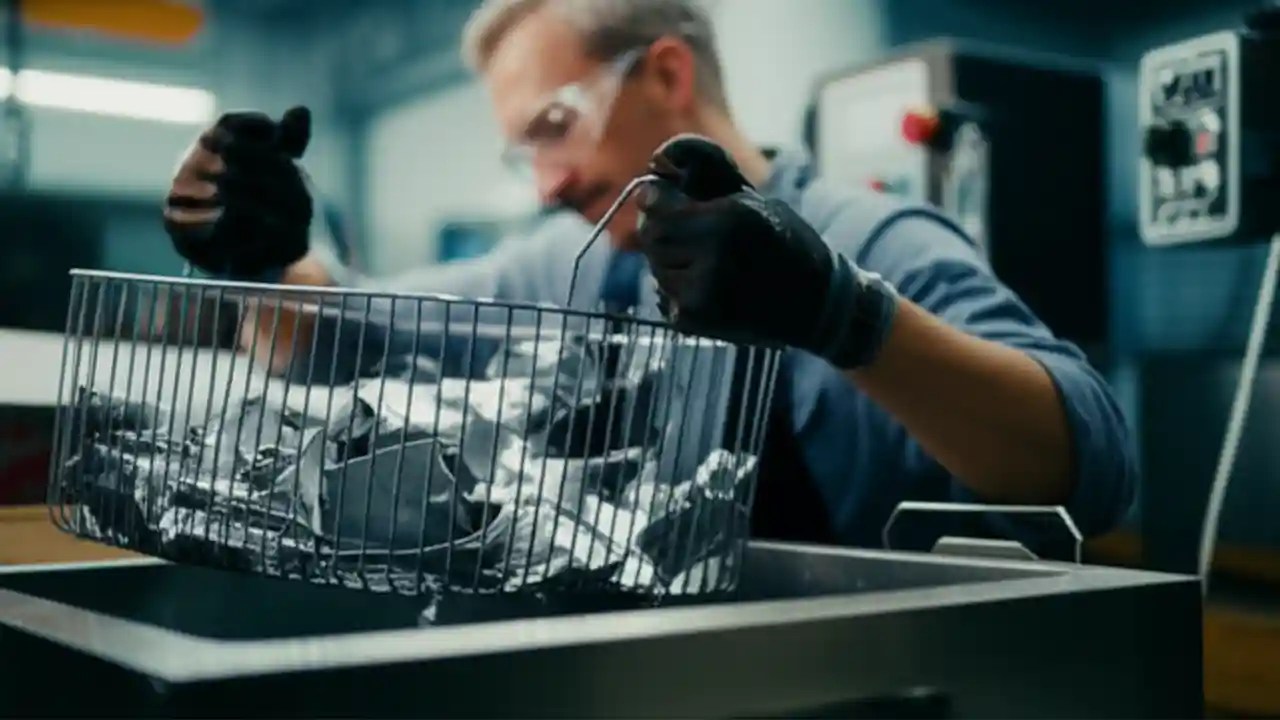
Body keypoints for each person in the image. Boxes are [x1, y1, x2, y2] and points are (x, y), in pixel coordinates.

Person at [163, 0, 1135, 552]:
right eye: (525, 150)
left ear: (667, 74)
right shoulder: (579, 265)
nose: (547, 183)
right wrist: (263, 258)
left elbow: (1090, 463)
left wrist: (840, 314)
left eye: (555, 127)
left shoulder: (870, 240)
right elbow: (346, 329)